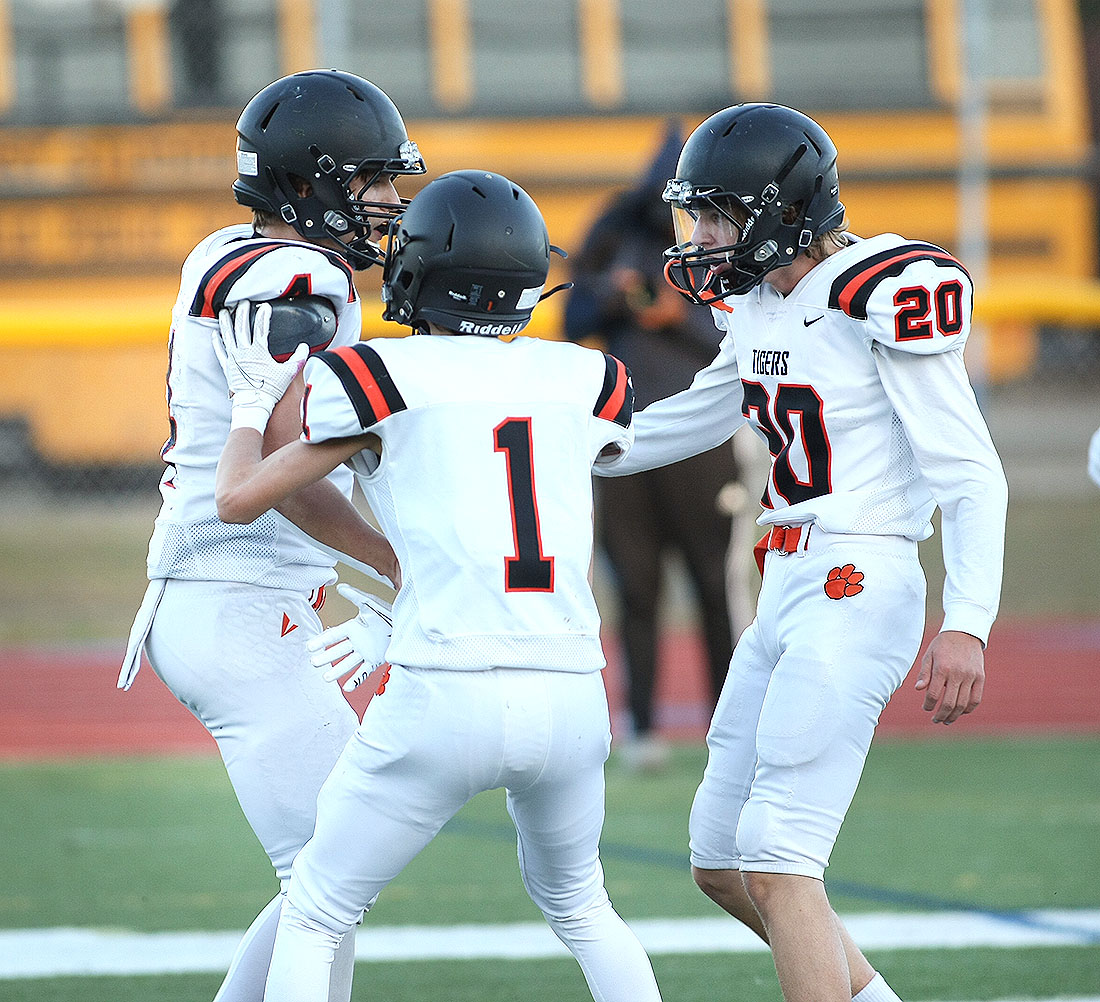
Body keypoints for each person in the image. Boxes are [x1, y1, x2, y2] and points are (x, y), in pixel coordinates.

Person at [213, 170, 663, 1002]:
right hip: (571, 695)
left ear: (418, 269)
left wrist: (247, 402)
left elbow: (239, 499)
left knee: (315, 911)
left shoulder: (378, 371)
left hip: (443, 690)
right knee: (584, 906)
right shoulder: (589, 379)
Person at [595, 103, 1008, 1002]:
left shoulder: (877, 290)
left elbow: (972, 471)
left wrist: (968, 620)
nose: (699, 237)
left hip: (861, 574)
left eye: (717, 216)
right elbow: (712, 407)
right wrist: (586, 447)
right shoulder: (757, 301)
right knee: (721, 861)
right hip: (785, 580)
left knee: (782, 863)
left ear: (781, 210)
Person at [117, 69, 426, 1002]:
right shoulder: (306, 278)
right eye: (370, 180)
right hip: (238, 602)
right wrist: (396, 562)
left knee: (328, 877)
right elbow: (279, 477)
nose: (385, 203)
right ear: (312, 181)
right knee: (329, 881)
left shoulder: (223, 250)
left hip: (213, 592)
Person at [563, 124, 745, 769]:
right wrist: (609, 298)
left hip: (705, 447)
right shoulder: (613, 237)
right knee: (634, 585)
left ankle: (733, 722)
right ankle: (640, 725)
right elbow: (570, 320)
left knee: (713, 584)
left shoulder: (733, 245)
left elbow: (746, 343)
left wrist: (682, 316)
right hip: (630, 439)